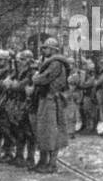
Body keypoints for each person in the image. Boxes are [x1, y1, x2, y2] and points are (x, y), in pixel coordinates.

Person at [30, 38, 72, 173]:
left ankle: (51, 164)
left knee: (51, 132)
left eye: (46, 48)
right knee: (43, 131)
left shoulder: (55, 64)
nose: (43, 50)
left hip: (51, 100)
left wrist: (35, 77)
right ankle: (43, 162)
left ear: (53, 50)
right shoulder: (50, 62)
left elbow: (42, 79)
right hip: (45, 100)